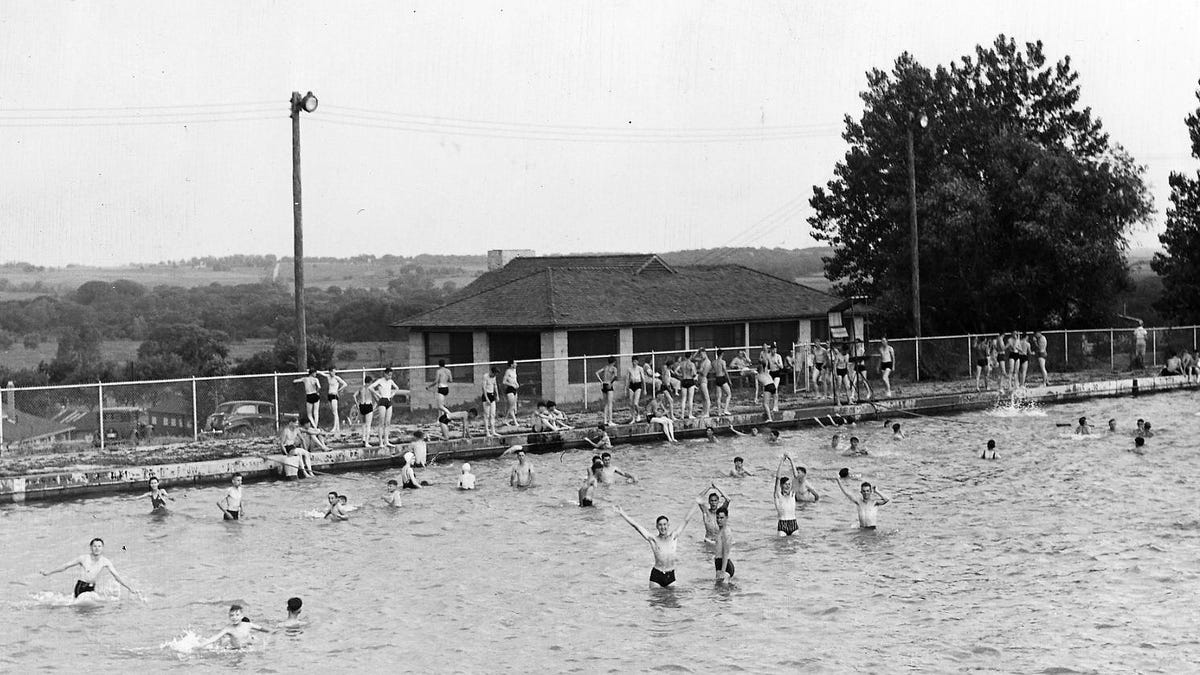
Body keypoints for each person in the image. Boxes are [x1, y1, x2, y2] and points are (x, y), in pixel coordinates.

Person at [614, 504, 695, 588]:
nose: (662, 527)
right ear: (657, 526)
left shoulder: (673, 537)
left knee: (672, 600)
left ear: (668, 525)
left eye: (664, 524)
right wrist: (622, 514)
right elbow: (636, 526)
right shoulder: (653, 540)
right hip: (656, 576)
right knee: (656, 600)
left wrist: (696, 503)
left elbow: (686, 520)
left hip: (670, 575)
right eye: (660, 525)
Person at [40, 537, 143, 601]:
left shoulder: (105, 561)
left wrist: (130, 588)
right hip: (81, 587)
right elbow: (65, 566)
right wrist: (48, 572)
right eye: (94, 546)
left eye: (99, 546)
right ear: (91, 547)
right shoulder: (83, 558)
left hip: (91, 588)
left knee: (94, 612)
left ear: (102, 548)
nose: (97, 548)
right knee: (80, 610)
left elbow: (117, 577)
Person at [199, 605, 272, 650]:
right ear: (229, 617)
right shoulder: (228, 629)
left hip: (247, 646)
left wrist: (273, 632)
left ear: (241, 616)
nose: (234, 617)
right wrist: (201, 645)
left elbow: (261, 629)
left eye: (237, 615)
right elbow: (215, 637)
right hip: (235, 648)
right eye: (232, 615)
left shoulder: (248, 624)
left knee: (253, 639)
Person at [368, 368, 400, 449]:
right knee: (381, 422)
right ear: (385, 374)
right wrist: (378, 395)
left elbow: (397, 388)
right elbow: (370, 387)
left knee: (388, 422)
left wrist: (392, 394)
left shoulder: (390, 381)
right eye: (388, 375)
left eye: (391, 375)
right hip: (382, 400)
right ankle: (381, 442)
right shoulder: (380, 380)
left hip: (388, 400)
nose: (390, 376)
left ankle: (386, 440)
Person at [773, 454, 799, 536]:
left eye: (789, 484)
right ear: (781, 485)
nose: (788, 486)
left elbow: (796, 477)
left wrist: (791, 460)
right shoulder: (778, 495)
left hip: (793, 523)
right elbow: (777, 478)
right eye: (786, 484)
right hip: (782, 523)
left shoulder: (792, 494)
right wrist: (781, 462)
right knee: (781, 547)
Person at [322, 368, 349, 433]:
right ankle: (337, 428)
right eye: (333, 372)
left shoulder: (336, 378)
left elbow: (345, 384)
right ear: (330, 372)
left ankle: (335, 427)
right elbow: (322, 373)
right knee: (333, 411)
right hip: (329, 395)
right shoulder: (328, 376)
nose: (334, 373)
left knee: (335, 412)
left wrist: (338, 390)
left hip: (334, 395)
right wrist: (315, 371)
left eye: (335, 372)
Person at [354, 376, 377, 448]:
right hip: (368, 405)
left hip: (361, 405)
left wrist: (357, 404)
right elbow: (376, 398)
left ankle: (363, 439)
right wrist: (374, 407)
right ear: (370, 382)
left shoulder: (361, 388)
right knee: (368, 425)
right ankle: (367, 442)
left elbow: (354, 396)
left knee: (363, 424)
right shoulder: (370, 389)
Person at [596, 356, 619, 426]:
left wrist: (601, 381)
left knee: (605, 404)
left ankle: (605, 420)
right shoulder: (614, 368)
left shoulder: (605, 367)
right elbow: (615, 377)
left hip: (604, 385)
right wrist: (611, 382)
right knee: (610, 404)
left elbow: (597, 373)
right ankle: (610, 421)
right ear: (614, 362)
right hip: (609, 385)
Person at [713, 508, 734, 583]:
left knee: (722, 591)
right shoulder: (720, 530)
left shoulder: (726, 532)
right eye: (717, 518)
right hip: (719, 563)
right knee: (719, 592)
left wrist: (723, 570)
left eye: (722, 518)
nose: (719, 520)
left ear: (726, 518)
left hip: (724, 565)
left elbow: (726, 552)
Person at [711, 348, 732, 415]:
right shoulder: (723, 362)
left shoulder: (713, 362)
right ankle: (725, 409)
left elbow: (712, 370)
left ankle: (719, 411)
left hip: (717, 378)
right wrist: (729, 380)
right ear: (722, 354)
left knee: (718, 396)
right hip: (722, 378)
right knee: (729, 394)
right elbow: (725, 371)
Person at [626, 356, 645, 423]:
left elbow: (643, 379)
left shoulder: (640, 369)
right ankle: (633, 417)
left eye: (635, 361)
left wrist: (644, 389)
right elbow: (627, 379)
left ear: (637, 362)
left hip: (638, 385)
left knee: (635, 403)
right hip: (631, 385)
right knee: (631, 403)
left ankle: (638, 414)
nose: (634, 363)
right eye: (633, 361)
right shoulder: (629, 369)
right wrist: (626, 389)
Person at [481, 367, 500, 437]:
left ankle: (493, 431)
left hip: (492, 395)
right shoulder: (485, 376)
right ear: (491, 372)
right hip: (486, 395)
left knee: (493, 414)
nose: (495, 375)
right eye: (494, 373)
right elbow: (484, 388)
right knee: (486, 415)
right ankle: (487, 431)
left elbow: (495, 386)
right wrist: (486, 398)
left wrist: (497, 395)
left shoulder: (494, 377)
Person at [694, 348, 713, 418]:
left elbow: (704, 373)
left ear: (705, 353)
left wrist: (697, 370)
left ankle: (707, 413)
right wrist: (697, 351)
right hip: (700, 380)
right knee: (703, 398)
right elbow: (693, 358)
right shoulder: (702, 361)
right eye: (700, 355)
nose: (701, 356)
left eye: (702, 354)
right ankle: (703, 412)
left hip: (703, 381)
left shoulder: (708, 362)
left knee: (706, 397)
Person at [501, 360, 520, 427]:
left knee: (513, 406)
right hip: (510, 390)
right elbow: (504, 381)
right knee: (511, 406)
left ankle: (505, 419)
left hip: (515, 389)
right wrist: (511, 385)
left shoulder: (514, 371)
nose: (516, 364)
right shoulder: (508, 371)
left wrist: (516, 384)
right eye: (515, 363)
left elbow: (514, 380)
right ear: (511, 364)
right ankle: (515, 422)